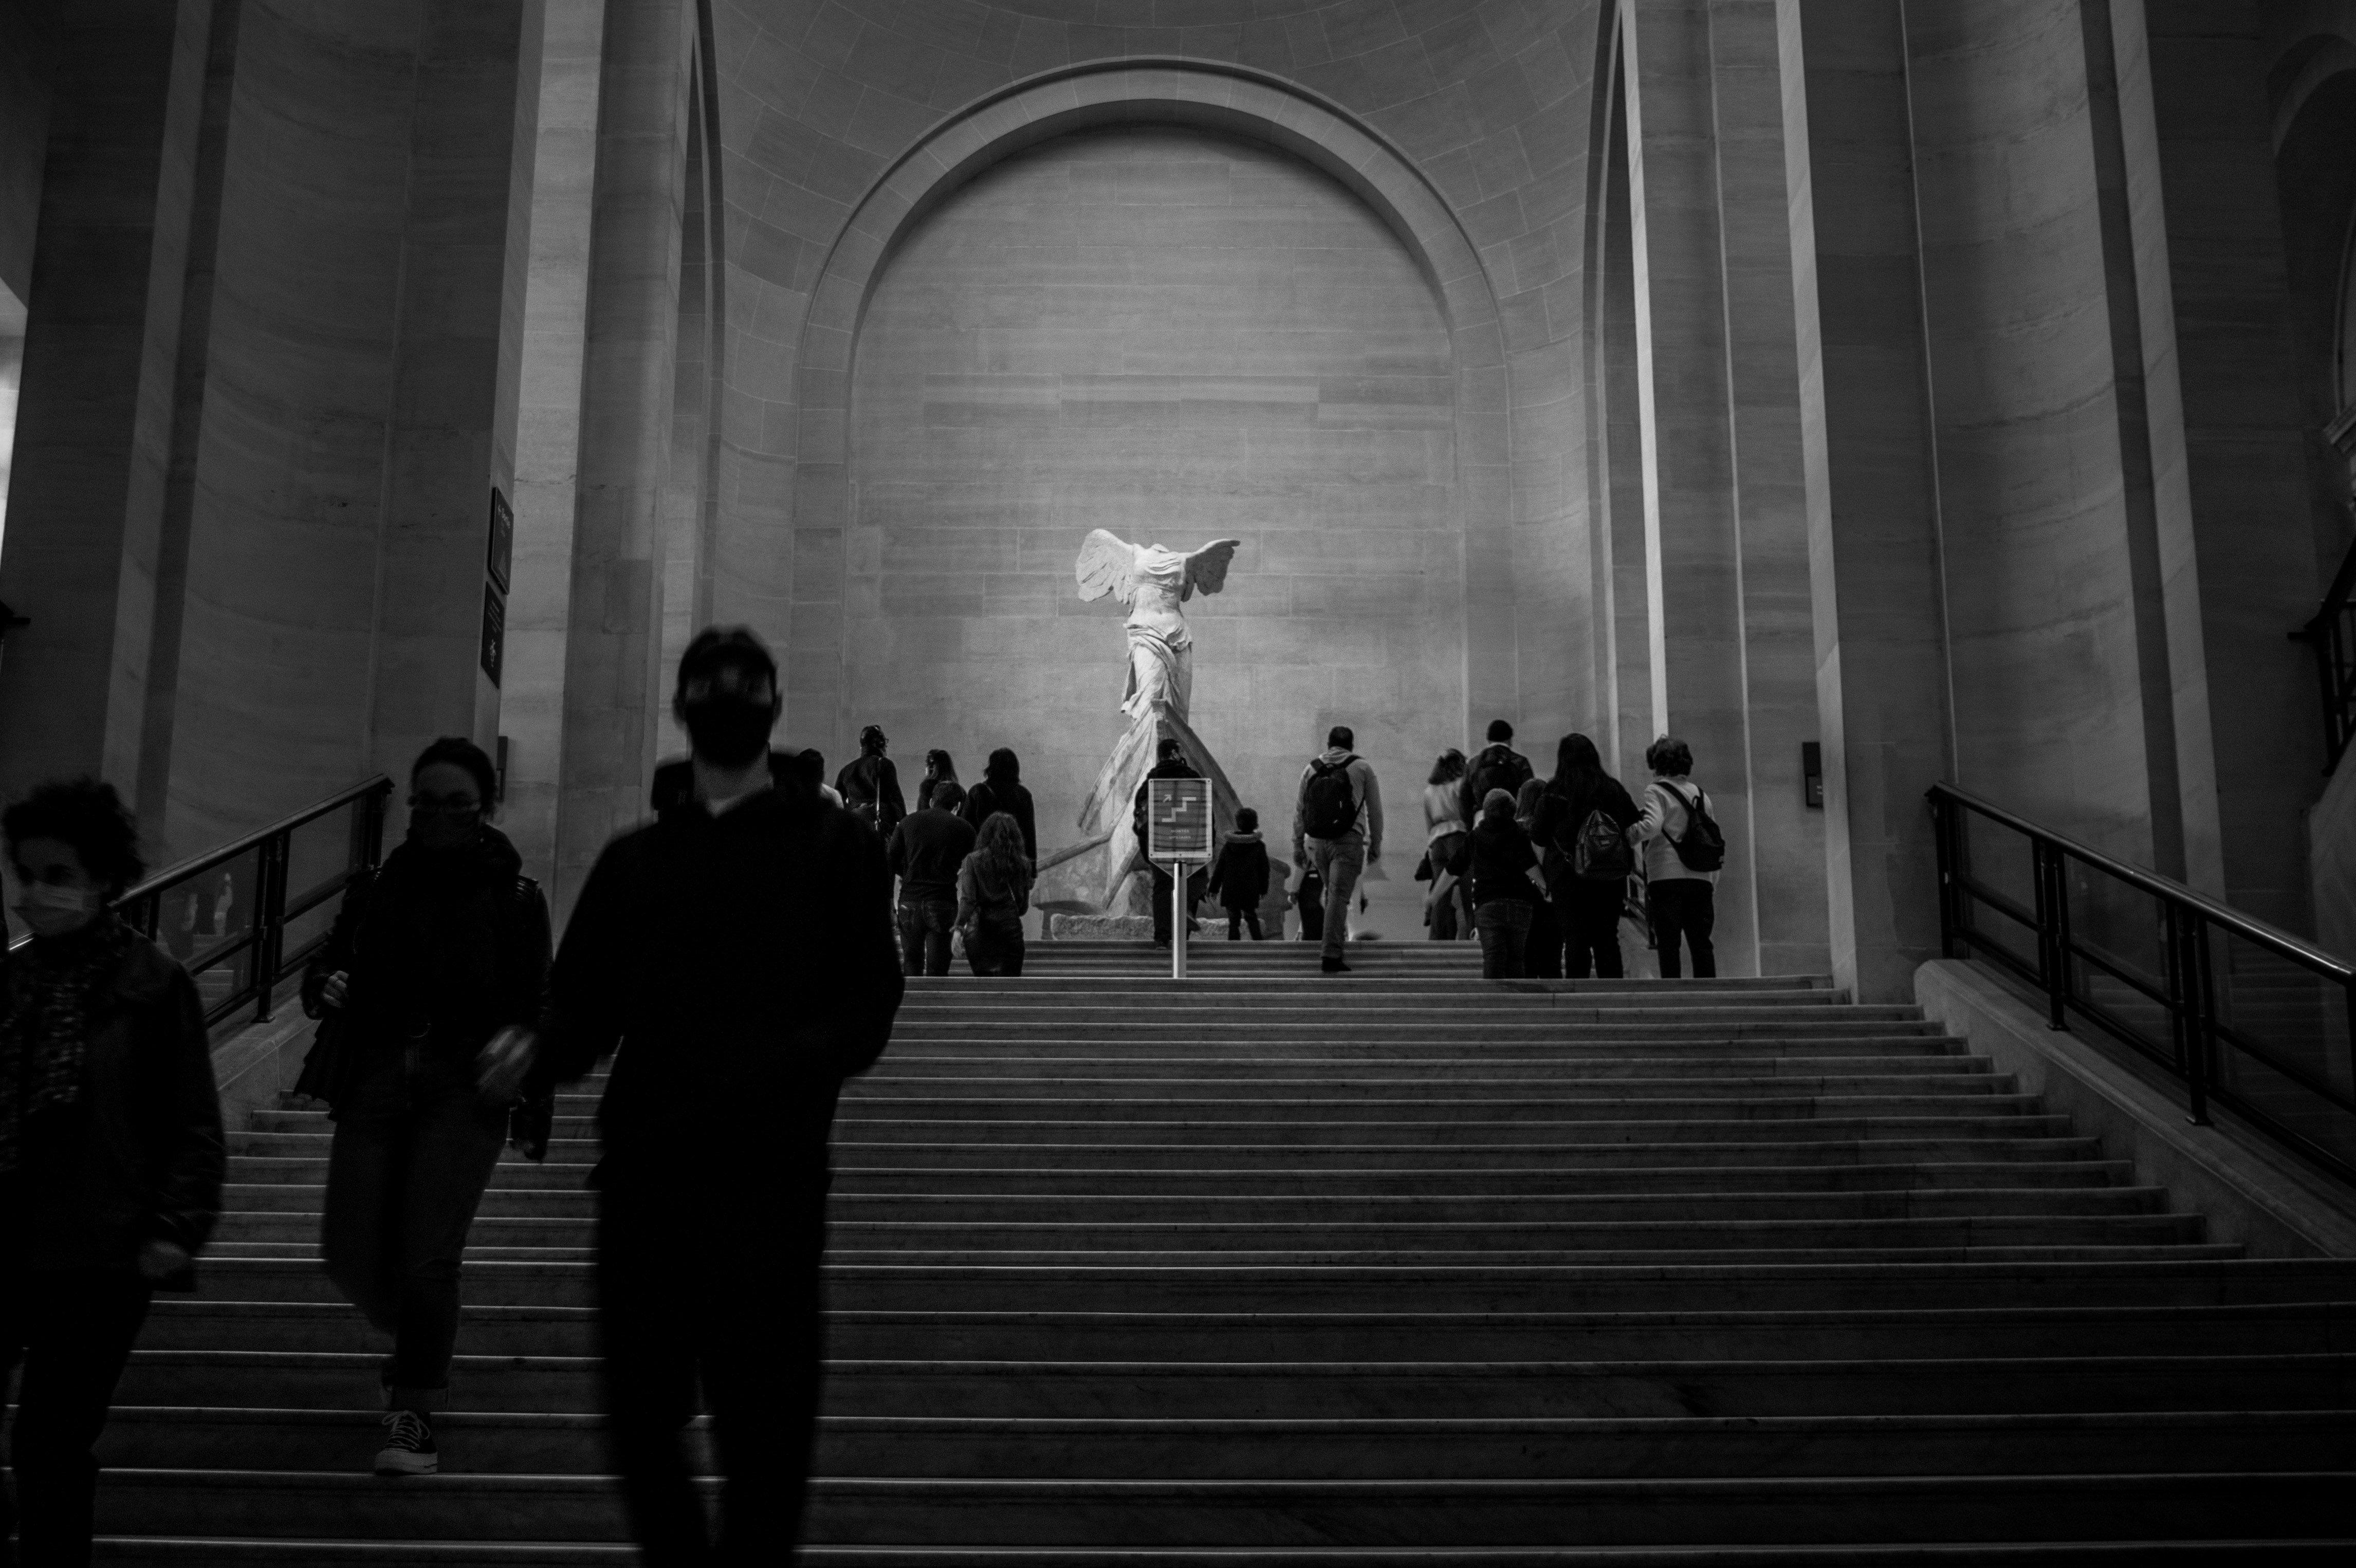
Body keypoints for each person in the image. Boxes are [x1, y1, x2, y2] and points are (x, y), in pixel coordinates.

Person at [475, 624, 904, 1562]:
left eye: (747, 684)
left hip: (770, 1180)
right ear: (681, 707)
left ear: (773, 706)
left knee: (766, 1436)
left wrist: (785, 1064)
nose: (730, 699)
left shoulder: (837, 848)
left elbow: (869, 1000)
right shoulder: (637, 862)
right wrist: (534, 1049)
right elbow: (583, 1004)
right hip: (647, 1177)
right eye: (713, 685)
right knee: (639, 1421)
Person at [301, 737, 552, 1476]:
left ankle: (413, 1409)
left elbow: (540, 998)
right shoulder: (380, 884)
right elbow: (329, 958)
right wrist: (325, 983)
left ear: (485, 806)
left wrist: (523, 1047)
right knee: (348, 1250)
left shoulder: (516, 896)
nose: (440, 816)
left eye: (457, 804)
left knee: (427, 1255)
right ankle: (418, 1334)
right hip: (378, 1072)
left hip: (464, 1084)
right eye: (428, 802)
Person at [1, 779, 224, 1565]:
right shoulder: (13, 980)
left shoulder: (152, 982)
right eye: (27, 873)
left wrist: (174, 1224)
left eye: (58, 874)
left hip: (100, 1253)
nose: (37, 892)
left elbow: (192, 1122)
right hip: (9, 1237)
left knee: (50, 1440)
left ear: (101, 876)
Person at [1529, 732, 1641, 980]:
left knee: (1575, 939)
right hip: (1610, 876)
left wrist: (1545, 880)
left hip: (1566, 878)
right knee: (1607, 939)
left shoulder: (1553, 792)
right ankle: (1612, 997)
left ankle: (1578, 997)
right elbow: (1633, 825)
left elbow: (1538, 840)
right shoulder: (1612, 789)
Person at [1291, 726, 1383, 974]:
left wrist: (1298, 845)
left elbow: (1300, 811)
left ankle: (1333, 946)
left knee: (1333, 895)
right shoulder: (1362, 768)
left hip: (1317, 843)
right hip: (1348, 840)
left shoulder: (1311, 768)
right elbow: (1375, 810)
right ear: (1351, 745)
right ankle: (1331, 955)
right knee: (1338, 896)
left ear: (1329, 744)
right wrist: (1376, 844)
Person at [1632, 734, 1721, 979]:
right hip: (1700, 877)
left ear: (1657, 763)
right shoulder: (1701, 795)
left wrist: (1630, 835)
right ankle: (1708, 993)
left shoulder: (1656, 791)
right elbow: (1712, 840)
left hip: (1666, 875)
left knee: (1669, 942)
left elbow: (1652, 826)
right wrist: (1711, 880)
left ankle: (1672, 991)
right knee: (1701, 944)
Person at [1446, 787, 1548, 979]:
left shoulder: (1476, 837)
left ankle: (1494, 996)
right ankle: (1516, 997)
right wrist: (1545, 887)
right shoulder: (1519, 834)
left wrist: (1434, 895)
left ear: (1486, 811)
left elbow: (1454, 868)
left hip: (1488, 903)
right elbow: (1529, 865)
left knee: (1493, 957)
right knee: (1517, 959)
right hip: (1520, 903)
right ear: (1512, 811)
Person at [888, 779, 975, 977]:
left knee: (911, 963)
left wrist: (890, 900)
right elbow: (976, 865)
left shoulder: (907, 823)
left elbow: (889, 862)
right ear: (957, 806)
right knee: (938, 969)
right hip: (943, 902)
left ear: (931, 801)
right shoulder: (965, 828)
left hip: (909, 902)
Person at [1133, 739, 1207, 947]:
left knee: (1163, 887)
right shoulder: (1193, 779)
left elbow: (1140, 822)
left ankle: (1162, 938)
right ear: (1174, 754)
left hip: (1160, 843)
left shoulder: (1148, 785)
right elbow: (1206, 814)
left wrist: (1147, 851)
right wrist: (1206, 842)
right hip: (1189, 841)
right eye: (1180, 751)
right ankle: (1184, 929)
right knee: (1197, 878)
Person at [956, 813, 1033, 976]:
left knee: (984, 987)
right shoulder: (1023, 864)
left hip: (979, 932)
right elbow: (1022, 908)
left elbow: (968, 899)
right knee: (1009, 987)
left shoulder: (973, 860)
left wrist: (958, 928)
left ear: (985, 834)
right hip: (1010, 932)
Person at [1514, 778, 1566, 978]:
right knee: (1552, 962)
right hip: (1551, 900)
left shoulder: (1513, 830)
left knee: (1526, 962)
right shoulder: (1555, 829)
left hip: (1522, 900)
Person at [1422, 749, 1473, 941]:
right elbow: (1466, 813)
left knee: (1441, 895)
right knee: (1468, 892)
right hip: (1458, 837)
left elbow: (1429, 824)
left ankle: (1436, 940)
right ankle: (1472, 935)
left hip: (1437, 843)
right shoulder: (1461, 785)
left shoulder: (1429, 791)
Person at [960, 748, 1038, 871]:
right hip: (1013, 863)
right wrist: (1032, 870)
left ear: (991, 767)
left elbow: (966, 829)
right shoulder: (1024, 795)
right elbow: (1029, 834)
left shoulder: (978, 792)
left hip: (983, 862)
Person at [1206, 807, 1272, 940]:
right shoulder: (1259, 846)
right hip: (1250, 889)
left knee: (1234, 921)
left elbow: (1220, 869)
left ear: (1238, 823)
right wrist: (1263, 889)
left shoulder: (1228, 846)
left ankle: (1233, 947)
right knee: (1251, 917)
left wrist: (1214, 888)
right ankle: (1259, 945)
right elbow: (1264, 870)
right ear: (1255, 824)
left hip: (1231, 889)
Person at [1459, 720, 1534, 831]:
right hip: (1511, 822)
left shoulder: (1474, 764)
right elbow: (1530, 795)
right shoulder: (1520, 762)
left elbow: (1464, 798)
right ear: (1509, 740)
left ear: (1489, 740)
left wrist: (1470, 826)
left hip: (1481, 821)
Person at [836, 725, 906, 835]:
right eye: (884, 741)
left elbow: (838, 802)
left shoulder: (846, 771)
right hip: (879, 828)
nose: (886, 745)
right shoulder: (884, 764)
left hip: (855, 828)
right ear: (879, 743)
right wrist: (904, 825)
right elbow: (896, 799)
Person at [915, 749, 958, 813]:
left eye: (926, 765)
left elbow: (922, 812)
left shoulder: (927, 786)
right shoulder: (957, 789)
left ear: (931, 768)